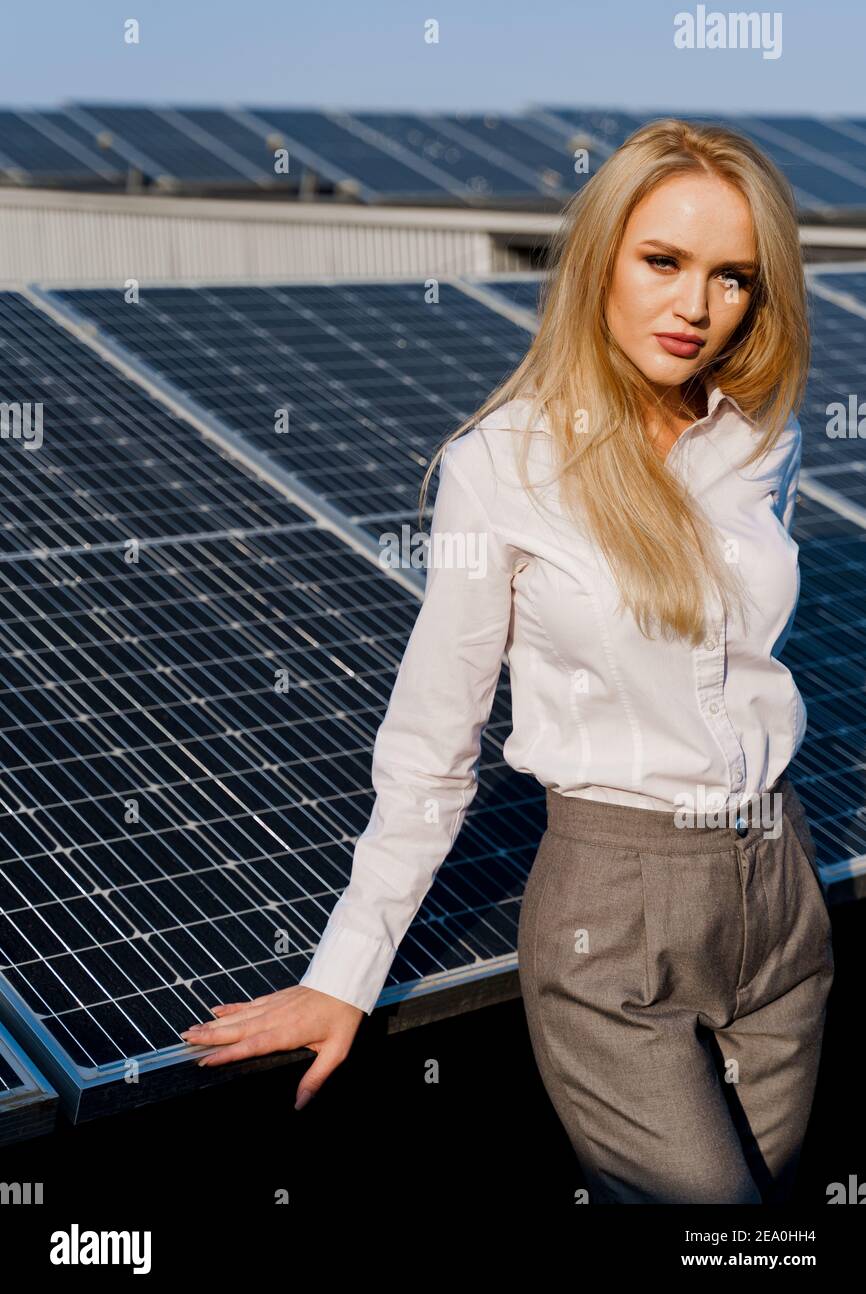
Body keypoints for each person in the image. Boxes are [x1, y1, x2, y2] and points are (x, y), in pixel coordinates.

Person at [180, 118, 834, 1205]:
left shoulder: (758, 435)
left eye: (732, 278)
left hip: (778, 885)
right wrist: (343, 973)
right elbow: (435, 738)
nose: (695, 306)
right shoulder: (506, 467)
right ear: (599, 258)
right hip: (614, 908)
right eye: (662, 262)